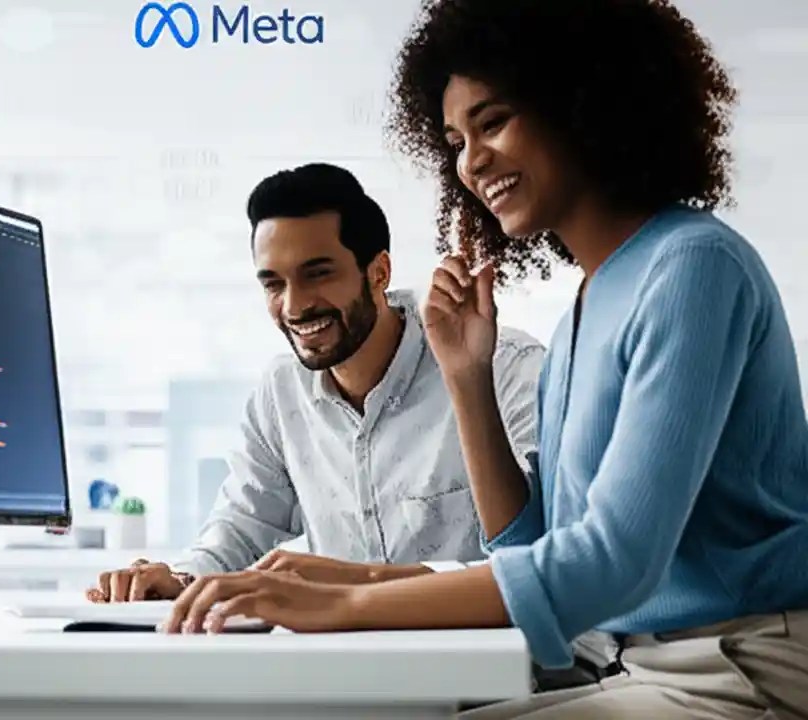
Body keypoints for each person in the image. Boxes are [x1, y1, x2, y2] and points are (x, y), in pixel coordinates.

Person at [159, 1, 808, 717]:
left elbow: (611, 561)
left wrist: (343, 600)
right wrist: (467, 378)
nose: (471, 162)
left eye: (492, 122)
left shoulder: (693, 267)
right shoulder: (590, 305)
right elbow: (532, 545)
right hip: (630, 665)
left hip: (737, 670)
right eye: (454, 140)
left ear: (582, 103)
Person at [87, 163, 544, 605]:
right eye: (273, 284)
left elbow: (544, 561)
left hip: (494, 670)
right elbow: (242, 526)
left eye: (317, 274)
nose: (295, 305)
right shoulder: (281, 393)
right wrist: (181, 580)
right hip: (348, 675)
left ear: (378, 272)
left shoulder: (502, 368)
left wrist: (356, 584)